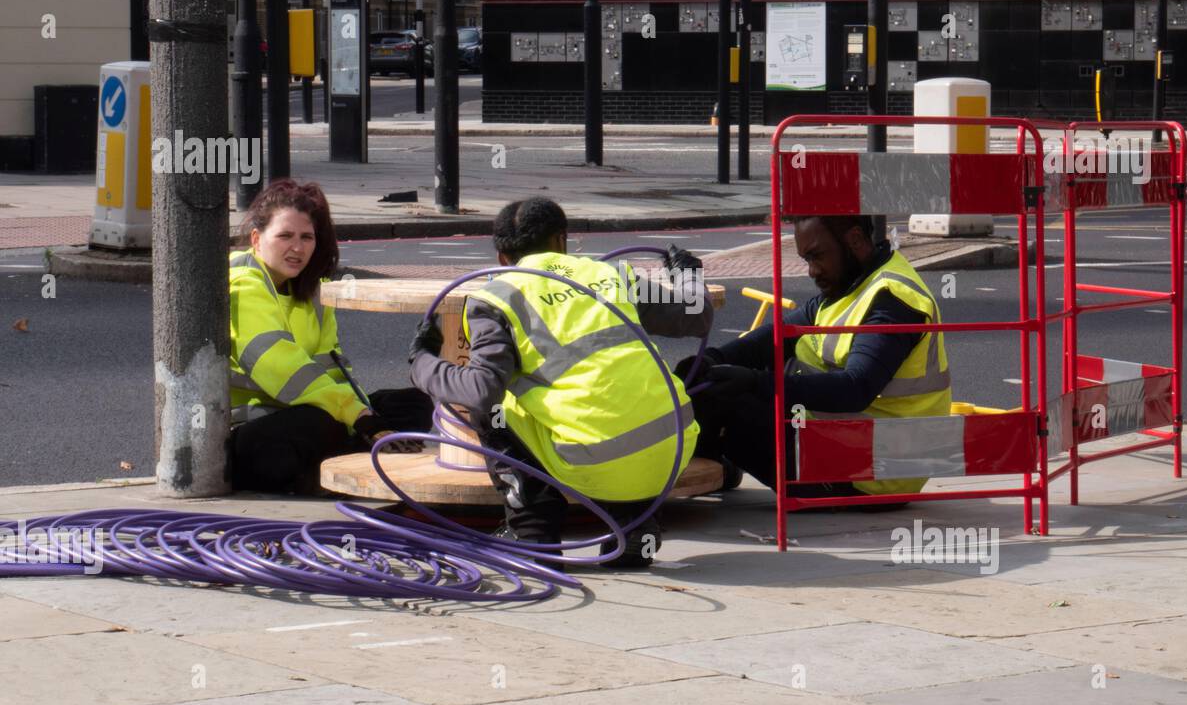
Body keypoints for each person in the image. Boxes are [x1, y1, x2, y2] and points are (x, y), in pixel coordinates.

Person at [408, 197, 712, 566]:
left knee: (496, 407)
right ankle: (636, 523)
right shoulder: (613, 275)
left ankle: (534, 535)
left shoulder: (497, 298)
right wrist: (687, 273)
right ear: (561, 241)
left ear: (502, 258)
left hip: (594, 461)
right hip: (672, 451)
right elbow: (696, 315)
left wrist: (422, 362)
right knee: (621, 393)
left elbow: (480, 390)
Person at [682, 214, 951, 506]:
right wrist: (712, 359)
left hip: (871, 472)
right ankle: (720, 462)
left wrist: (754, 382)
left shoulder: (892, 301)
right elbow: (773, 339)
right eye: (806, 259)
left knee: (719, 398)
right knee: (708, 381)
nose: (811, 270)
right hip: (849, 449)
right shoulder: (851, 283)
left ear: (855, 241)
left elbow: (855, 389)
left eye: (817, 256)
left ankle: (675, 474)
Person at [229, 180, 432, 494]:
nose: (297, 248)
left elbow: (335, 371)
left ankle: (347, 461)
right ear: (257, 239)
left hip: (312, 414)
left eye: (306, 237)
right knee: (319, 423)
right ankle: (329, 469)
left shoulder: (311, 292)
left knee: (415, 404)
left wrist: (368, 417)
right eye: (285, 236)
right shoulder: (243, 282)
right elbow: (283, 369)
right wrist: (358, 417)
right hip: (252, 432)